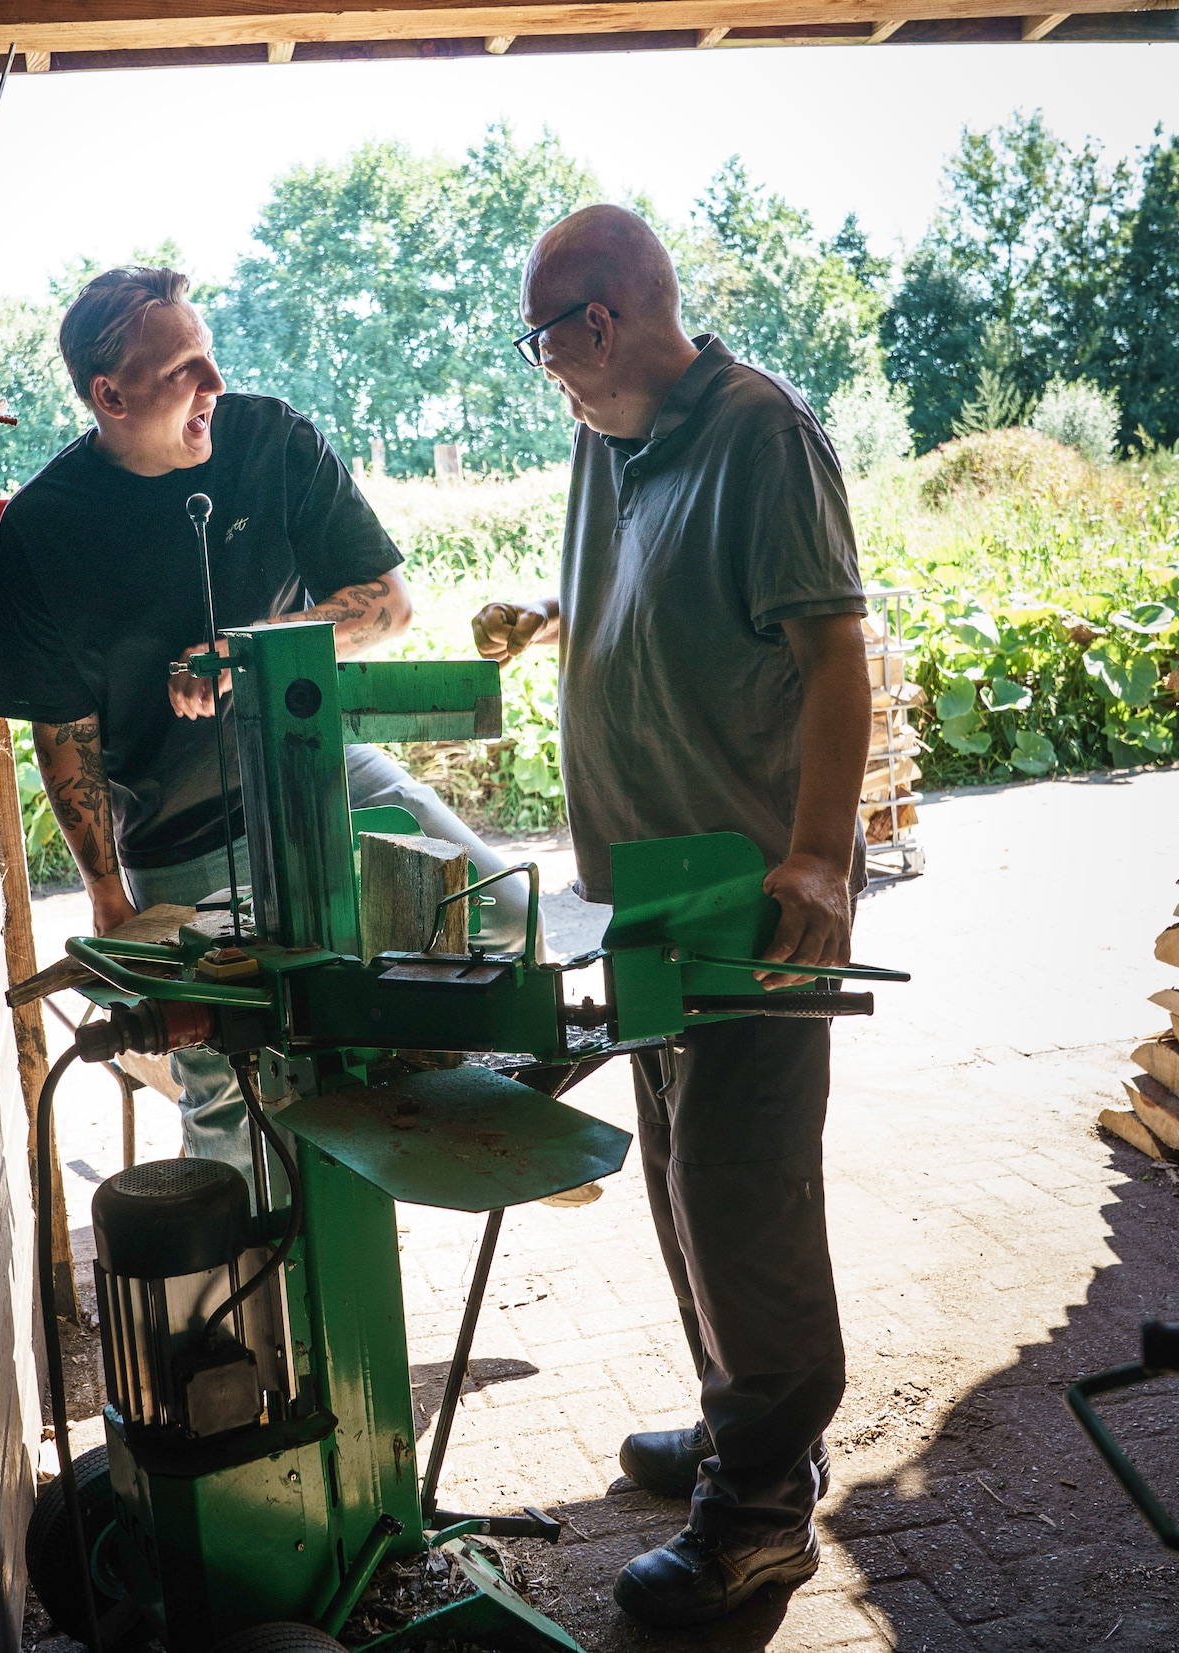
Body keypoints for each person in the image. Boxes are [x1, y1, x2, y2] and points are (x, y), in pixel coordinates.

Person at [473, 205, 873, 1627]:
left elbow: (834, 649)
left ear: (600, 320)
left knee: (741, 1189)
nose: (547, 376)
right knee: (678, 1174)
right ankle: (736, 1420)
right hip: (646, 889)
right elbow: (653, 599)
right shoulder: (609, 439)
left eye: (545, 346)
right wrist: (548, 610)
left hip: (753, 888)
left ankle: (761, 1513)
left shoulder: (759, 432)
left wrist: (821, 858)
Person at [0, 265, 528, 1177]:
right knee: (226, 1095)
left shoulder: (273, 442)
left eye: (212, 355)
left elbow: (389, 608)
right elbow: (61, 730)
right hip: (176, 840)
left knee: (504, 914)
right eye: (185, 370)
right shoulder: (43, 527)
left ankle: (445, 1092)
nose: (215, 386)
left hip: (321, 774)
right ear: (110, 395)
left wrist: (251, 648)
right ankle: (237, 1315)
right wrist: (111, 900)